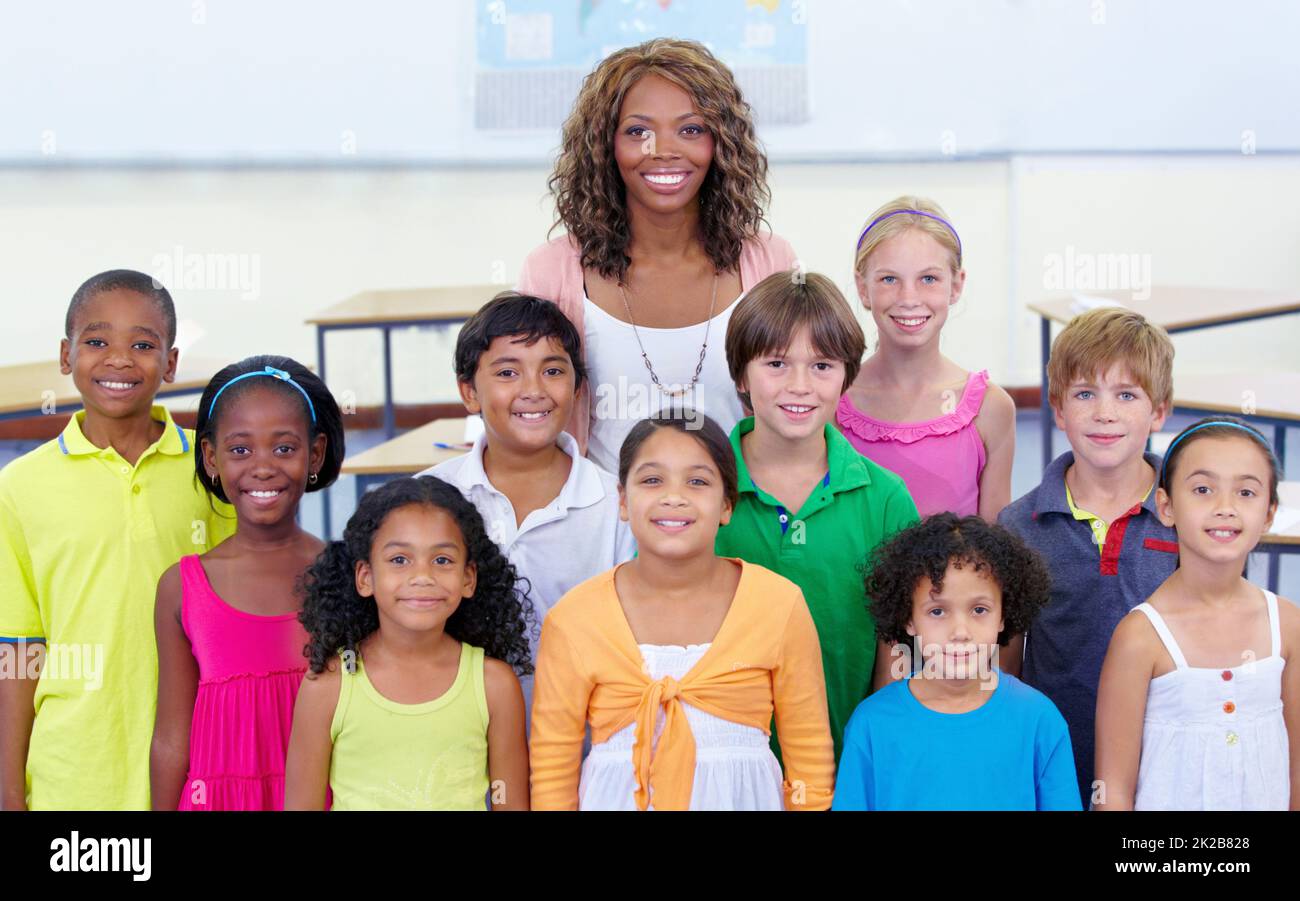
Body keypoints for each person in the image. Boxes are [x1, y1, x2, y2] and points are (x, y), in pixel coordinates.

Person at [0, 269, 235, 809]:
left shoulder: (213, 466)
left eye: (144, 344)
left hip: (200, 765)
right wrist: (13, 793)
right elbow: (18, 650)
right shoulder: (20, 488)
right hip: (75, 774)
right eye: (97, 341)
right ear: (67, 355)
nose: (120, 359)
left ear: (171, 363)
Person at [518, 37, 797, 472]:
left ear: (720, 143)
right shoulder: (552, 272)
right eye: (637, 131)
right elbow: (526, 415)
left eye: (690, 129)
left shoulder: (769, 263)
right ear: (604, 146)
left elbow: (802, 403)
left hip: (735, 528)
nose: (663, 150)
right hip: (601, 530)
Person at [529, 413, 835, 810]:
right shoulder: (573, 619)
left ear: (727, 505)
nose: (674, 497)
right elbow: (553, 770)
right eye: (652, 480)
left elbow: (809, 754)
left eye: (698, 481)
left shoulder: (778, 604)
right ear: (622, 501)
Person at [716, 270, 919, 761]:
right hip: (719, 766)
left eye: (823, 365)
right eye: (777, 363)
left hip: (846, 763)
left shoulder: (887, 499)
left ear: (847, 376)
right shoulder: (698, 488)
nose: (800, 386)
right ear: (742, 375)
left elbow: (901, 640)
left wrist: (875, 753)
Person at [997, 306, 1179, 807]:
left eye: (1126, 394)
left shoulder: (1187, 516)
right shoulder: (1018, 525)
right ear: (1057, 409)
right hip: (1056, 763)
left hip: (1164, 760)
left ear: (1159, 411)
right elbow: (1005, 665)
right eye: (1085, 394)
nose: (1105, 413)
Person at [419, 292, 634, 711]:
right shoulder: (427, 499)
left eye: (553, 370)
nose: (533, 390)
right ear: (469, 392)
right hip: (459, 750)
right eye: (507, 373)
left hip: (583, 749)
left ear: (577, 387)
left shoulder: (617, 507)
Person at [151, 356, 345, 810]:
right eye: (241, 450)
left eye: (284, 448)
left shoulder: (348, 573)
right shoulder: (181, 588)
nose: (262, 468)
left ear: (314, 454)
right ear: (211, 457)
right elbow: (170, 739)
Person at [284, 477, 532, 810]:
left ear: (468, 579)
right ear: (365, 577)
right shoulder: (330, 684)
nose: (422, 576)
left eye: (442, 560)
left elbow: (509, 801)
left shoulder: (494, 684)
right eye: (400, 559)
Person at [1095, 417, 1297, 810]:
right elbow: (1112, 789)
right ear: (1167, 506)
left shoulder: (1288, 625)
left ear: (1269, 513)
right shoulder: (1139, 637)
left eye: (1246, 492)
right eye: (1203, 489)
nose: (1225, 508)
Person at [834, 513, 1079, 810]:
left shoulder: (1040, 720)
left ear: (1003, 615)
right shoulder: (870, 725)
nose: (960, 632)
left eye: (979, 609)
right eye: (938, 611)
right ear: (909, 618)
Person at [836, 196, 1015, 520]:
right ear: (863, 288)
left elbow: (996, 549)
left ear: (956, 285)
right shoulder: (833, 403)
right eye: (889, 279)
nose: (909, 298)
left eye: (928, 279)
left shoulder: (991, 409)